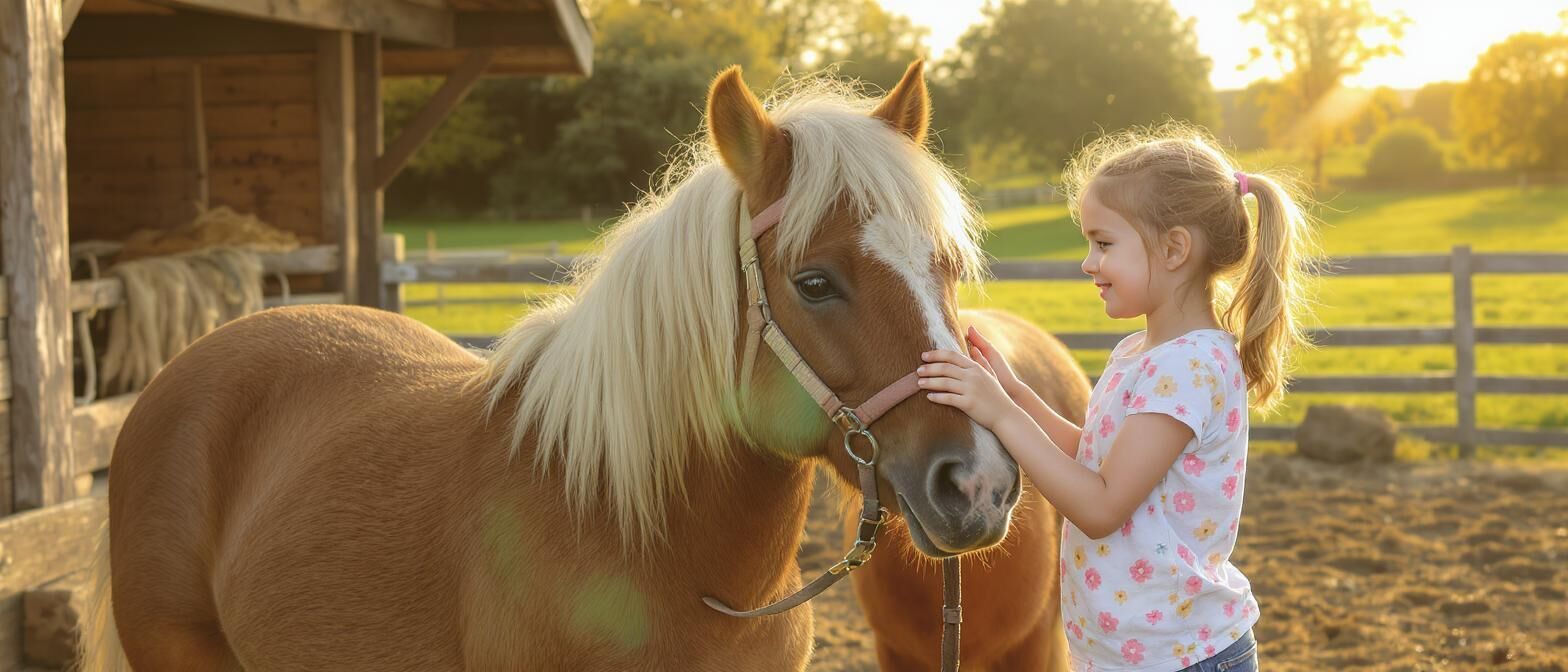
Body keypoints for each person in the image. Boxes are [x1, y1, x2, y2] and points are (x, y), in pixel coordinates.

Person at [916, 124, 1319, 671]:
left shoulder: (1188, 367)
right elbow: (1097, 457)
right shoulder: (1144, 352)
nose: (1088, 262)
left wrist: (1001, 413)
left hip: (1180, 658)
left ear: (1175, 248)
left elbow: (1102, 506)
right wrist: (1015, 391)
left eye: (1104, 243)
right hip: (1132, 655)